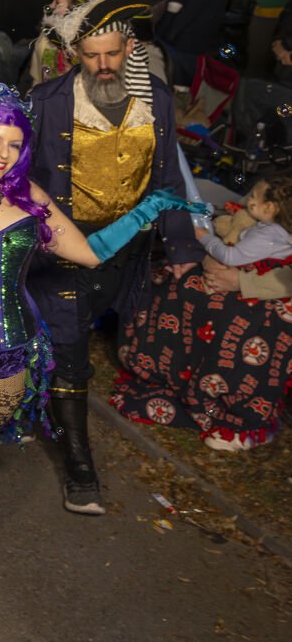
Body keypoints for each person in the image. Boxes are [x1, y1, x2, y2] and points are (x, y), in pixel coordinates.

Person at [0, 86, 179, 632]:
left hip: (16, 352)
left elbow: (88, 253)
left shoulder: (30, 198)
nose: (2, 152)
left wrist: (148, 210)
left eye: (14, 144)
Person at [27, 0, 201, 514]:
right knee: (71, 349)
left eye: (113, 53)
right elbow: (17, 176)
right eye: (91, 54)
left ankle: (28, 399)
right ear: (75, 54)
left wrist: (182, 245)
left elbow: (168, 179)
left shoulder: (159, 103)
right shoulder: (46, 101)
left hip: (126, 255)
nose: (103, 65)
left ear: (130, 48)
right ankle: (81, 467)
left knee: (71, 338)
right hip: (62, 253)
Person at [113, 172, 292, 452]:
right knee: (178, 283)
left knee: (247, 319)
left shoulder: (274, 235)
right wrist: (203, 257)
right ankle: (167, 375)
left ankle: (245, 416)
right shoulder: (264, 225)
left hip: (271, 288)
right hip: (252, 271)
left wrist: (243, 282)